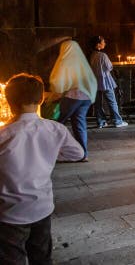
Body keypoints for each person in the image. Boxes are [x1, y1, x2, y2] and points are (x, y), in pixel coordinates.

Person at [0, 73, 84, 264]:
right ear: (41, 99)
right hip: (41, 207)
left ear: (7, 99)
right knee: (41, 255)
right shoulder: (55, 129)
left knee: (12, 258)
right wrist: (51, 153)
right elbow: (78, 154)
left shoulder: (4, 135)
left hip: (10, 212)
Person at [50, 40, 98, 160]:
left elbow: (57, 81)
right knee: (79, 124)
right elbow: (91, 80)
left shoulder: (65, 60)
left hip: (72, 97)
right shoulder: (82, 61)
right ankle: (83, 154)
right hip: (86, 97)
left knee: (56, 124)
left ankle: (49, 152)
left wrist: (55, 93)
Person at [88, 36, 128, 129]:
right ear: (98, 45)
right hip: (105, 81)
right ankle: (117, 121)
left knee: (97, 103)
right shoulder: (103, 55)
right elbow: (109, 67)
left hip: (95, 81)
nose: (104, 43)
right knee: (112, 101)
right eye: (103, 42)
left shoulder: (92, 55)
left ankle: (101, 122)